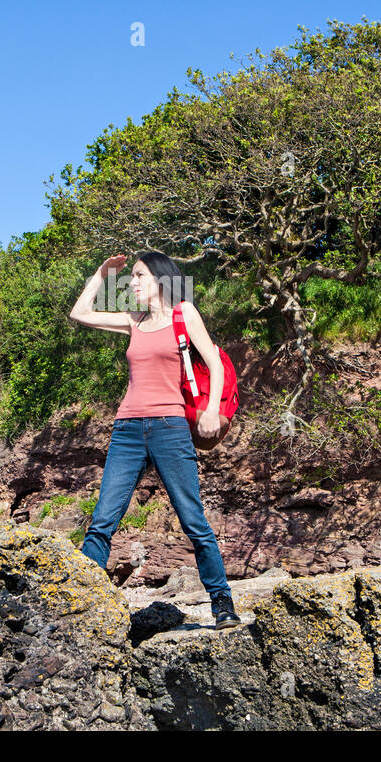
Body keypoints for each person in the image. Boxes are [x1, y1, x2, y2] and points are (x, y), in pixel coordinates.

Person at [68, 250, 240, 629]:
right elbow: (79, 313)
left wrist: (211, 410)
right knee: (102, 520)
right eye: (130, 277)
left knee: (193, 519)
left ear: (161, 279)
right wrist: (100, 276)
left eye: (139, 276)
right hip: (127, 429)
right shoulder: (134, 320)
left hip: (170, 427)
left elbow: (213, 361)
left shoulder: (184, 315)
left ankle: (222, 602)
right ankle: (80, 604)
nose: (132, 283)